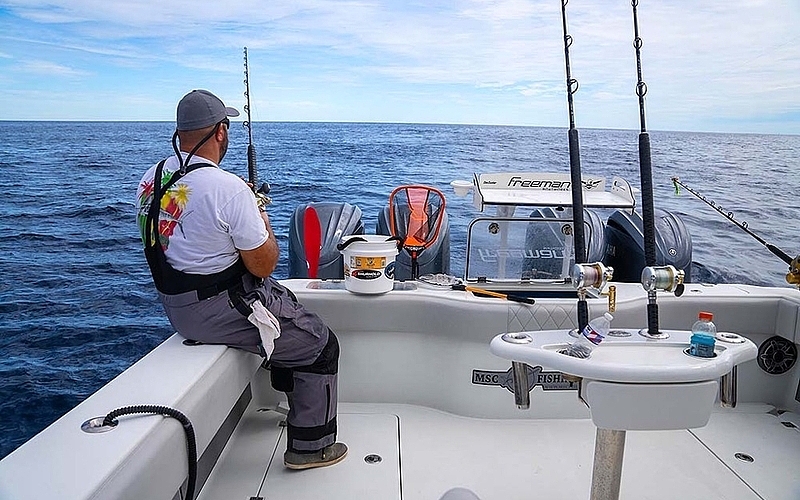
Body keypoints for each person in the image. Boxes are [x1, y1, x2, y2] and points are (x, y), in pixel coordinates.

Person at [136, 89, 347, 470]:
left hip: (177, 306)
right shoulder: (228, 188)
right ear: (221, 131)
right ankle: (310, 448)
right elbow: (263, 265)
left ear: (179, 133)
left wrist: (240, 209)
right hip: (218, 308)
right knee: (320, 343)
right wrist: (260, 219)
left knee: (289, 303)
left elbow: (194, 233)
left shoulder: (152, 177)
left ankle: (290, 399)